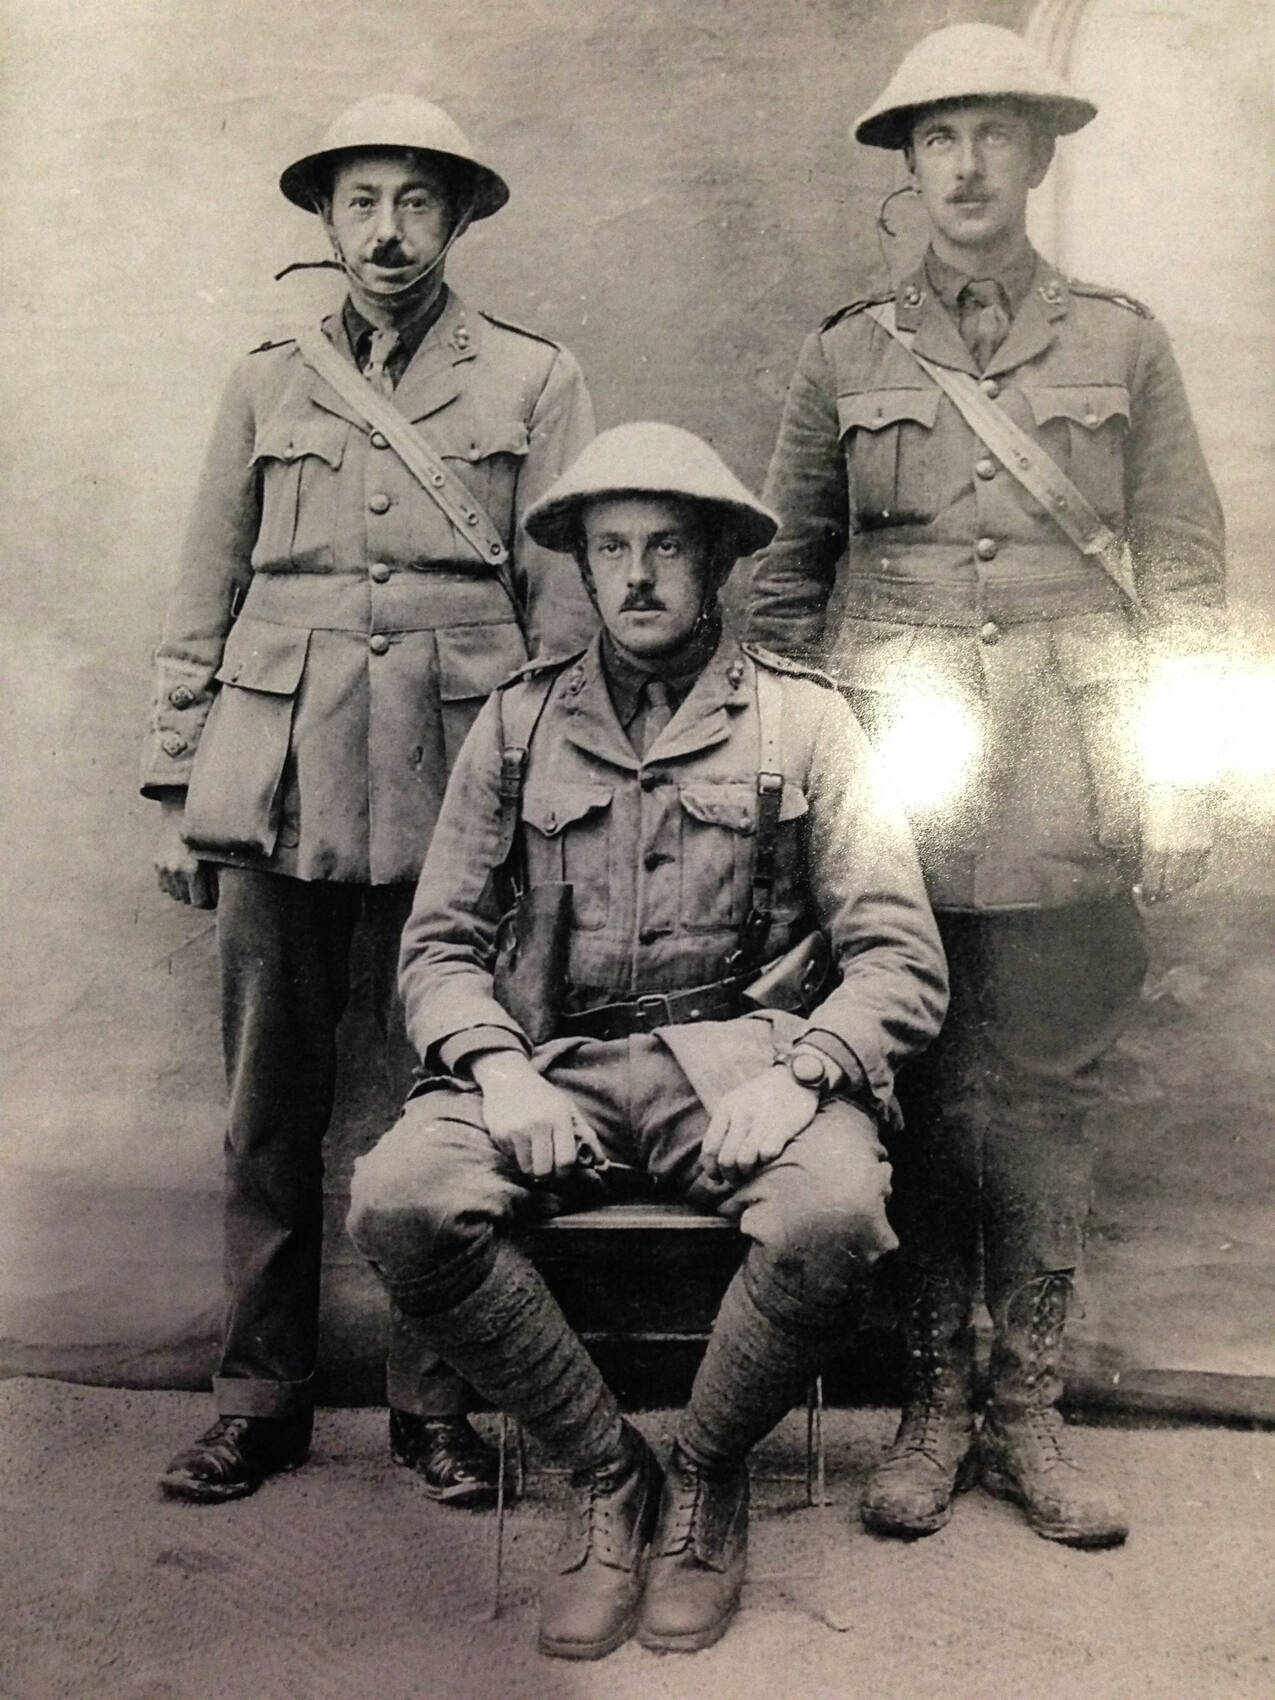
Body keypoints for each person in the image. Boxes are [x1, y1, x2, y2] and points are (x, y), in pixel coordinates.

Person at [346, 422, 948, 1658]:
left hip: (742, 1069)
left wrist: (806, 1074)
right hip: (553, 1069)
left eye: (666, 544)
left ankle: (706, 1472)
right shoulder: (517, 726)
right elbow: (440, 943)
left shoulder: (804, 722)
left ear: (718, 557)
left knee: (835, 1210)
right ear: (577, 561)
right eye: (609, 546)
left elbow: (900, 955)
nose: (635, 576)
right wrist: (501, 1068)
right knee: (401, 1197)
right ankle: (607, 1472)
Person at [746, 22, 1226, 1548]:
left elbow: (1190, 582)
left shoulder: (1117, 338)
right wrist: (795, 793)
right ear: (904, 166)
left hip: (1072, 772)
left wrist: (1183, 781)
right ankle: (928, 1406)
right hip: (899, 769)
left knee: (1045, 1091)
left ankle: (1028, 1412)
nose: (962, 164)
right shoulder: (845, 353)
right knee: (918, 1084)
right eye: (934, 139)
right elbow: (779, 594)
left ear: (1035, 157)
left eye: (992, 137)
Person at [143, 93, 596, 1505]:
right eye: (358, 202)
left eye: (415, 202)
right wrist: (176, 778)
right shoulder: (267, 378)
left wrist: (556, 803)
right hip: (271, 776)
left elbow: (565, 608)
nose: (386, 231)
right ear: (325, 220)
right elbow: (207, 583)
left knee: (450, 1097)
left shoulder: (529, 378)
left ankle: (434, 1404)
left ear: (456, 220)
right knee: (264, 1109)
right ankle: (259, 1400)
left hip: (462, 777)